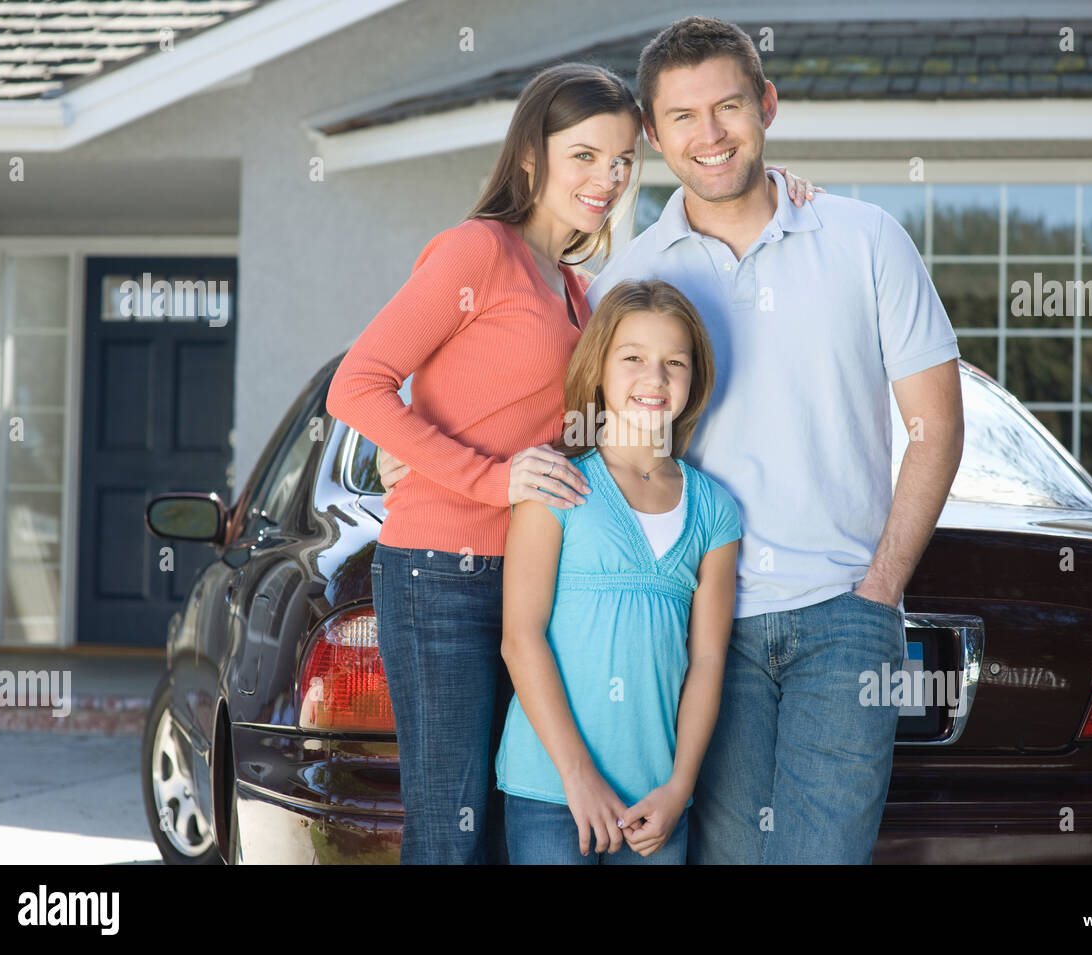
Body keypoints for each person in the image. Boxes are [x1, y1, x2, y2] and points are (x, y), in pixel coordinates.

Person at [327, 60, 818, 864]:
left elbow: (612, 408)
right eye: (584, 155)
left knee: (506, 821)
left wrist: (771, 190)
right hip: (441, 574)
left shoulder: (580, 292)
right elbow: (358, 386)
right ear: (532, 157)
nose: (608, 177)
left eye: (624, 159)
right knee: (451, 828)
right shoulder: (475, 252)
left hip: (535, 579)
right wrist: (483, 475)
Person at [581, 17, 965, 864]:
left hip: (844, 618)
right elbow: (598, 452)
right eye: (681, 116)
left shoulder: (865, 240)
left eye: (728, 107)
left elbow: (936, 424)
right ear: (652, 133)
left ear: (767, 106)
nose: (709, 134)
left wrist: (881, 589)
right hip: (697, 623)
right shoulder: (628, 279)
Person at [495, 279, 740, 864]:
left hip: (654, 802)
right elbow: (520, 639)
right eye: (633, 358)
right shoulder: (555, 487)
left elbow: (707, 661)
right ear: (599, 369)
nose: (654, 379)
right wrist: (578, 777)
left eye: (674, 362)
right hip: (552, 790)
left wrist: (679, 788)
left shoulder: (714, 510)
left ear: (694, 378)